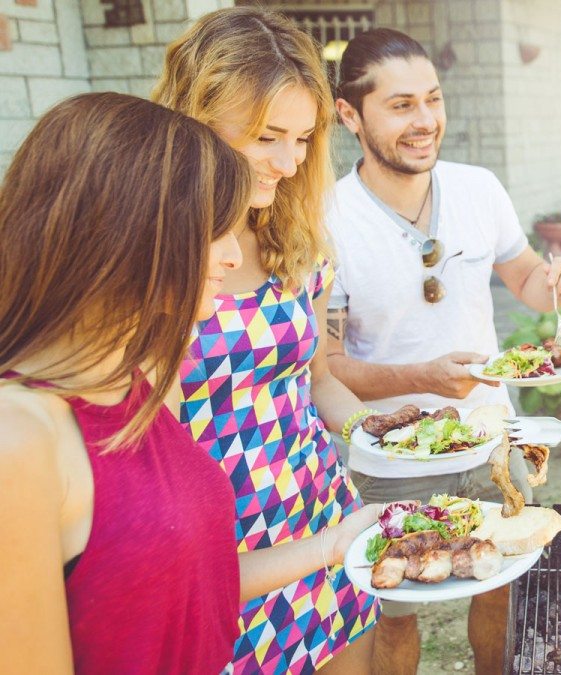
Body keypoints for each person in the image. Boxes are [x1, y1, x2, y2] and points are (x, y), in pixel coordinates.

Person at [322, 28, 561, 674]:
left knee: (500, 582)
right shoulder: (327, 218)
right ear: (349, 115)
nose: (425, 122)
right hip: (389, 456)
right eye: (401, 105)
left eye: (433, 100)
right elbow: (327, 366)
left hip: (493, 436)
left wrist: (556, 279)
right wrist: (420, 378)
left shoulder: (479, 189)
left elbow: (525, 276)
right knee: (391, 603)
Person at [153, 9, 382, 673]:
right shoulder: (155, 254)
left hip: (320, 515)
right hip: (218, 547)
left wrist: (378, 430)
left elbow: (313, 381)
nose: (288, 162)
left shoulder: (296, 238)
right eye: (265, 136)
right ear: (196, 116)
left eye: (304, 138)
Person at [0, 92, 247, 673]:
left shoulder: (144, 380)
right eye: (215, 232)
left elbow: (178, 582)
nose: (235, 256)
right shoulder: (21, 442)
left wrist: (336, 545)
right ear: (129, 232)